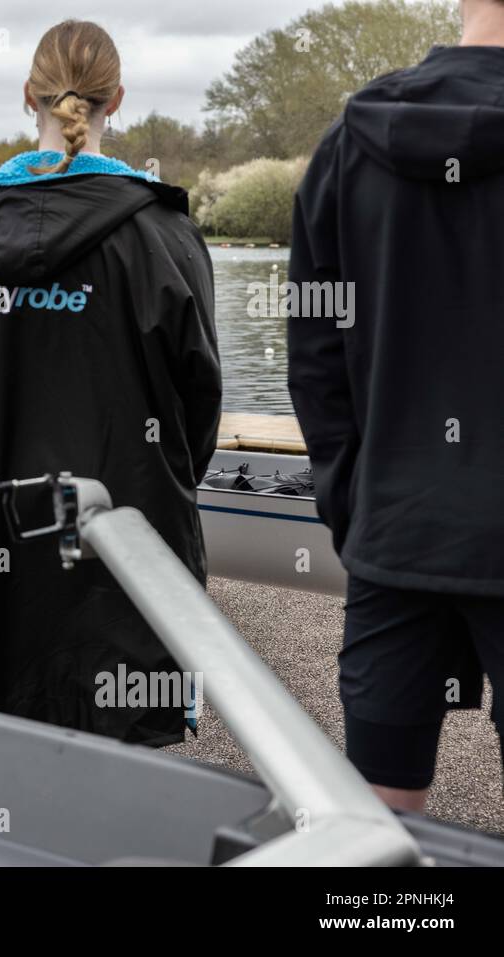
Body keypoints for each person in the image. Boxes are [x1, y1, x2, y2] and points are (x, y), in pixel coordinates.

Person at [0, 19, 221, 745]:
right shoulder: (162, 235)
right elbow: (198, 402)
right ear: (118, 100)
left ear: (27, 97)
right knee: (122, 774)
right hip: (122, 540)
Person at [287, 0, 504, 812]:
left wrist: (356, 504)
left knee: (381, 830)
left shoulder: (351, 143)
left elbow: (313, 358)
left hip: (395, 526)